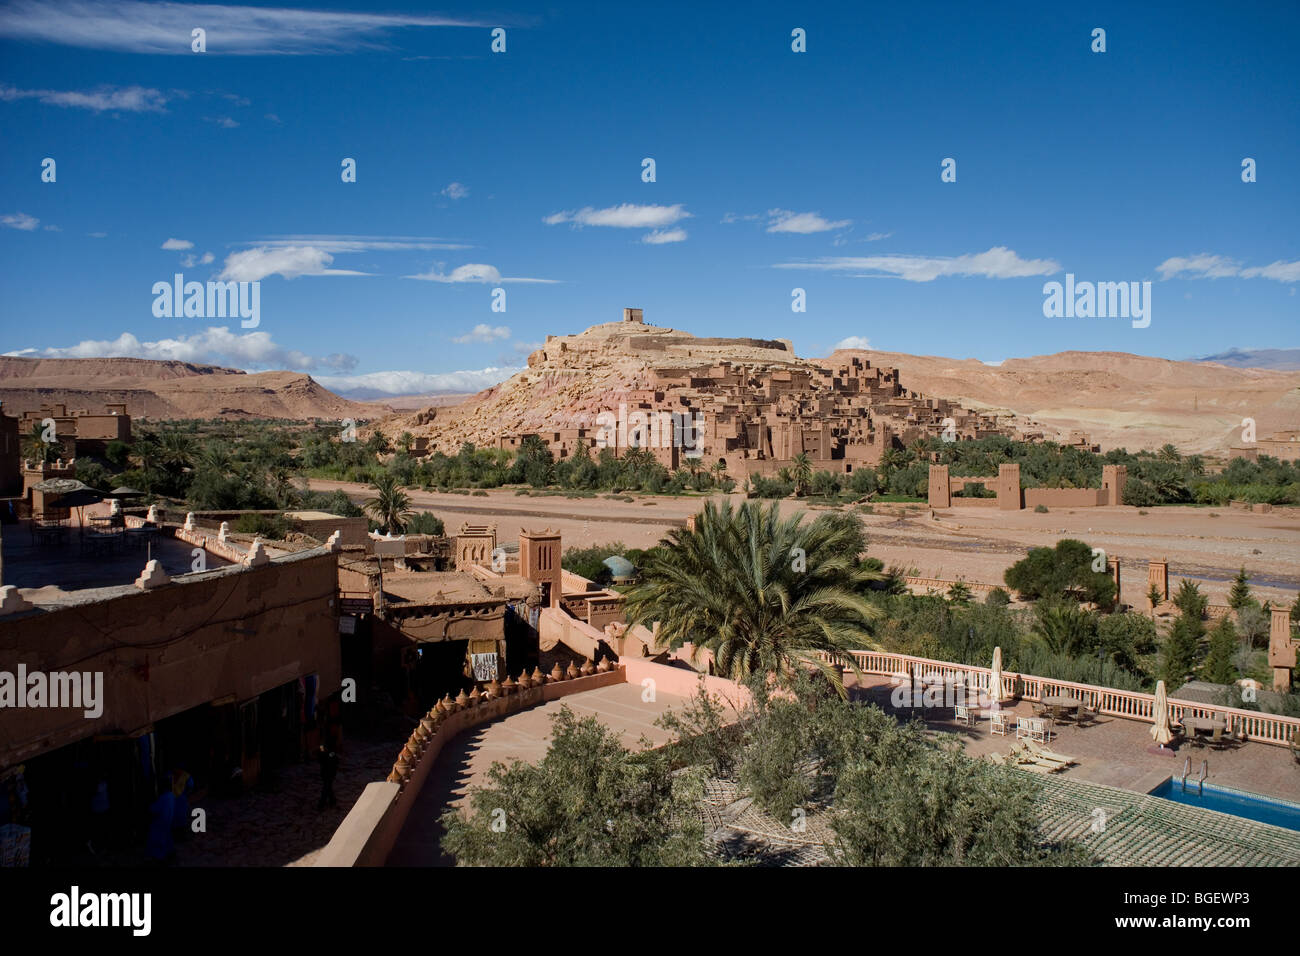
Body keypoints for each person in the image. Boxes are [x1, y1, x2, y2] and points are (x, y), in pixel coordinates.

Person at [317, 744, 339, 810]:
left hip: (329, 772)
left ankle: (322, 803)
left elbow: (333, 758)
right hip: (327, 772)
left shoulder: (331, 753)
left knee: (326, 788)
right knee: (328, 787)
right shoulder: (323, 748)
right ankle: (332, 800)